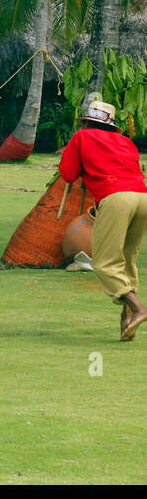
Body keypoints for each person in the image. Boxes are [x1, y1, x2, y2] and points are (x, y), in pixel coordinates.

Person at [59, 100, 147, 341]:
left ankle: (138, 308)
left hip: (116, 198)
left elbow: (68, 174)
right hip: (142, 197)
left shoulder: (81, 137)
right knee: (127, 259)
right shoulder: (126, 141)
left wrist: (70, 153)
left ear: (87, 121)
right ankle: (127, 320)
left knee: (104, 263)